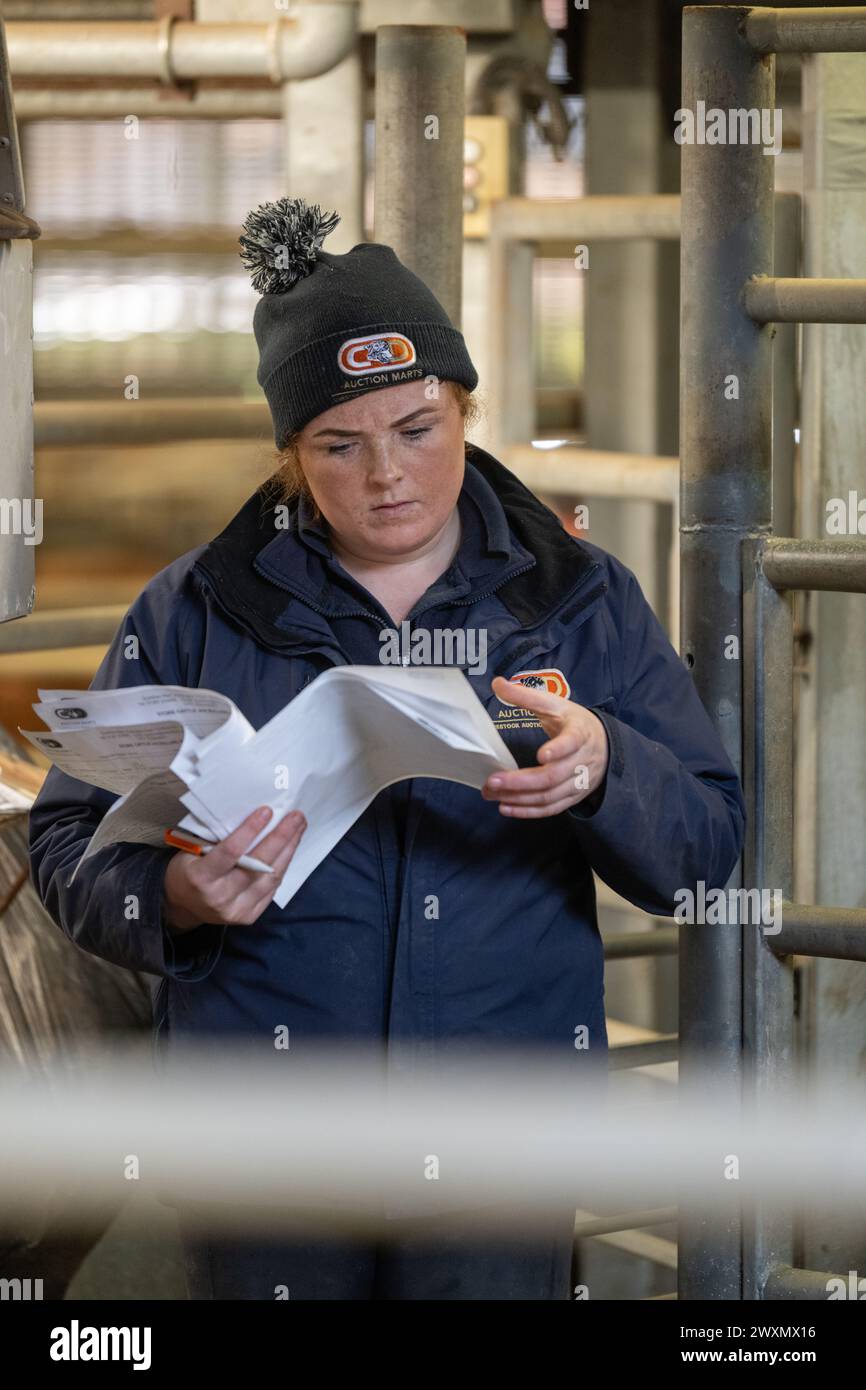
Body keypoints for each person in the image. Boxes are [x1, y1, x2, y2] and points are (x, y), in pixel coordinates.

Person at [29, 196, 746, 1300]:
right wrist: (172, 893)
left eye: (417, 429)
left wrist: (606, 765)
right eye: (336, 445)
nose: (385, 475)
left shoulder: (577, 601)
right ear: (288, 458)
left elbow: (704, 851)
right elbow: (66, 840)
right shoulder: (194, 610)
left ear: (462, 406)